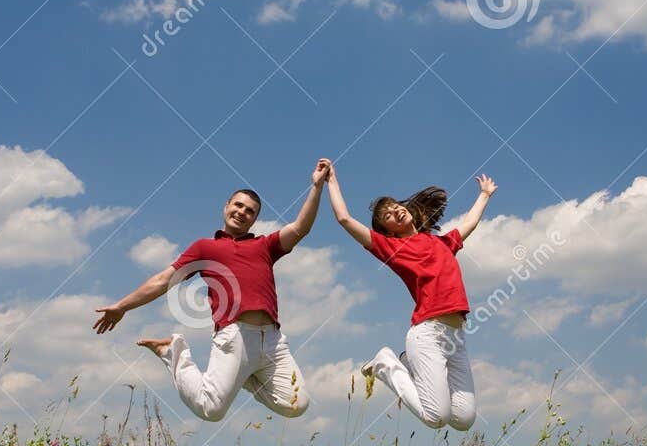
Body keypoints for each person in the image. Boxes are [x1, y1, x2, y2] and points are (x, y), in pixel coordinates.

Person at [92, 160, 330, 421]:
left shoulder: (265, 245)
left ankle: (247, 375)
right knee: (211, 410)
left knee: (297, 404)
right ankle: (173, 351)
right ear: (226, 207)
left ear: (254, 219)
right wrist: (122, 306)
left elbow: (301, 228)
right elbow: (163, 280)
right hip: (235, 336)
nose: (242, 212)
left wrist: (317, 187)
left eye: (250, 211)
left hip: (272, 339)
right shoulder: (205, 248)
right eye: (238, 205)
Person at [323, 161, 496, 431]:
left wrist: (484, 194)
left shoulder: (443, 243)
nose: (395, 211)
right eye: (388, 216)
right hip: (428, 333)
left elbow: (470, 224)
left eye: (395, 207)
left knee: (463, 419)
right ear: (388, 230)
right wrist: (331, 180)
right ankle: (385, 364)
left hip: (456, 336)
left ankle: (408, 363)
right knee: (436, 417)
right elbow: (345, 219)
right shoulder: (393, 248)